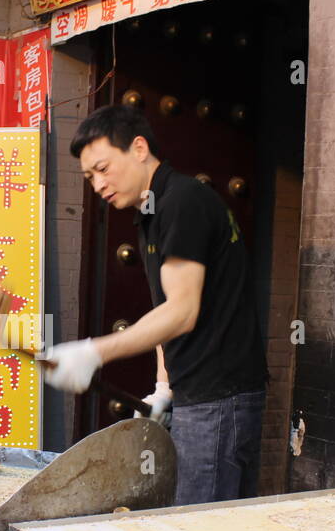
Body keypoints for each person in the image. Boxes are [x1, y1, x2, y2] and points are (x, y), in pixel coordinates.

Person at [44, 105, 267, 505]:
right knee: (189, 521)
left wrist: (95, 352)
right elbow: (164, 311)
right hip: (193, 394)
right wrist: (163, 388)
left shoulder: (182, 202)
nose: (97, 184)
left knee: (202, 529)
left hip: (219, 398)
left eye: (103, 168)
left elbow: (182, 311)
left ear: (139, 148)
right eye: (90, 176)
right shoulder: (151, 214)